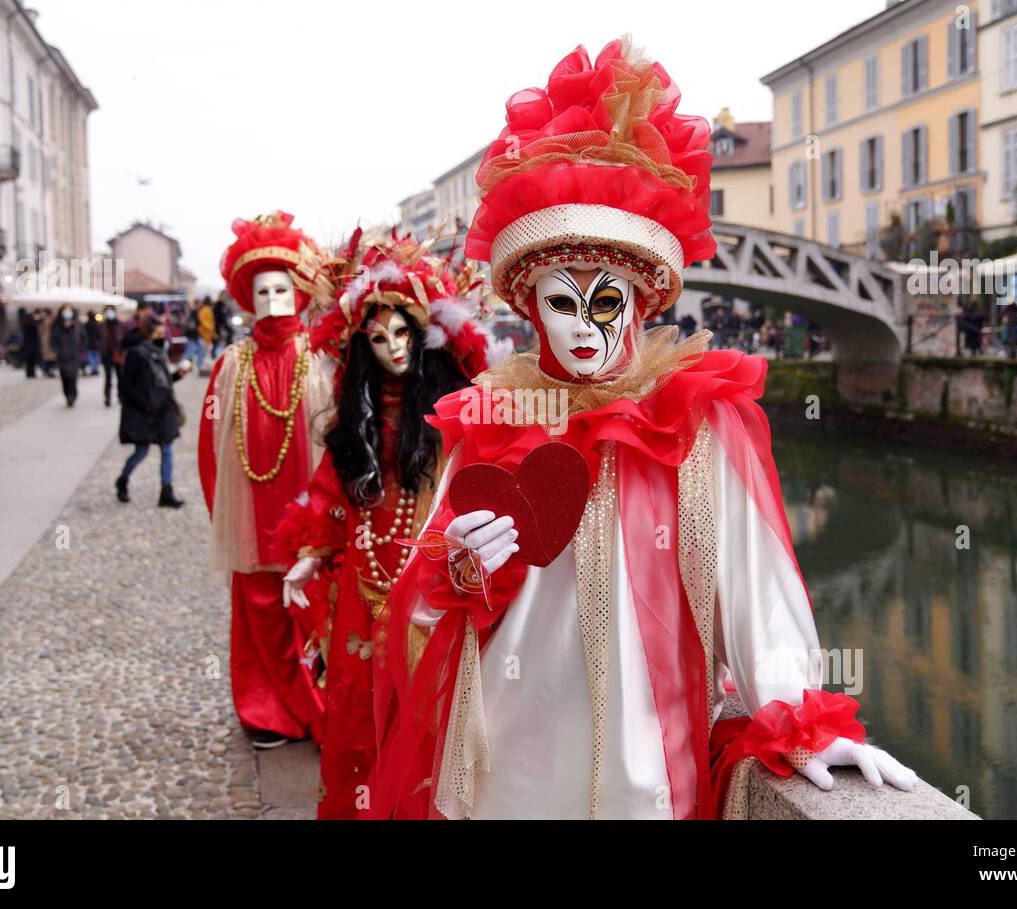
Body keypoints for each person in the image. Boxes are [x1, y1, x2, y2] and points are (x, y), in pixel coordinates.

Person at [372, 39, 916, 820]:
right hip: (510, 753)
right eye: (562, 302)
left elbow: (753, 587)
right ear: (531, 308)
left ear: (641, 297)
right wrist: (461, 569)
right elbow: (425, 597)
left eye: (607, 300)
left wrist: (799, 716)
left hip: (645, 763)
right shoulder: (492, 420)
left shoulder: (694, 424)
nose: (585, 328)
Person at [274, 232, 498, 818]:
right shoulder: (356, 426)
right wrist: (311, 552)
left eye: (402, 333)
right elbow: (331, 495)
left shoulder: (455, 417)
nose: (393, 349)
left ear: (425, 337)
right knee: (356, 715)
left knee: (428, 713)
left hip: (429, 591)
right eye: (377, 338)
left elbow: (475, 493)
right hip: (361, 593)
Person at [198, 211, 336, 750]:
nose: (274, 300)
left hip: (311, 517)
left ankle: (321, 707)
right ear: (246, 297)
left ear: (298, 292)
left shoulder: (322, 359)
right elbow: (210, 446)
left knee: (314, 610)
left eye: (283, 288)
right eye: (263, 290)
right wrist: (224, 514)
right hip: (252, 515)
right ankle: (268, 710)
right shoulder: (230, 365)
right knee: (259, 612)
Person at [116, 315, 190, 507]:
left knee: (167, 450)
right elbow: (125, 387)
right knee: (141, 452)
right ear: (149, 330)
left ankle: (166, 492)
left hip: (163, 409)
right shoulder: (136, 353)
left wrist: (178, 375)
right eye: (159, 328)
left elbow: (161, 381)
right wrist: (144, 404)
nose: (163, 331)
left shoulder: (158, 351)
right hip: (145, 412)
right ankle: (122, 480)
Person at [49, 307, 84, 406]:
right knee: (65, 377)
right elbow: (53, 340)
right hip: (62, 356)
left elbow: (83, 338)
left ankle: (72, 395)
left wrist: (81, 350)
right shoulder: (57, 326)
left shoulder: (77, 325)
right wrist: (58, 351)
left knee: (73, 377)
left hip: (74, 355)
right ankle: (67, 394)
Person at [100, 305, 121, 407]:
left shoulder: (120, 325)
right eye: (108, 311)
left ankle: (121, 395)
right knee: (108, 377)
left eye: (111, 311)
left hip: (118, 354)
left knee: (120, 377)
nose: (110, 313)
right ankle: (107, 397)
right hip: (106, 355)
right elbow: (99, 340)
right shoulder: (102, 326)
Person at [19, 308, 43, 378]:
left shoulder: (27, 323)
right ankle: (30, 373)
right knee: (30, 360)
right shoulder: (29, 324)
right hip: (30, 344)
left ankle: (31, 373)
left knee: (31, 360)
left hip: (30, 344)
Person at [195, 298, 216, 373]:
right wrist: (210, 327)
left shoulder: (205, 309)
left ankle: (203, 367)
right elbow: (203, 320)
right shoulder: (205, 310)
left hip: (207, 333)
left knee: (206, 351)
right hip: (205, 333)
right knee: (204, 351)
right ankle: (201, 366)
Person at [84, 311, 103, 376]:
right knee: (95, 356)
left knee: (91, 356)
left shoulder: (87, 324)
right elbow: (99, 334)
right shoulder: (96, 324)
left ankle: (94, 368)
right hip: (94, 343)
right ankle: (95, 368)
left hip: (89, 343)